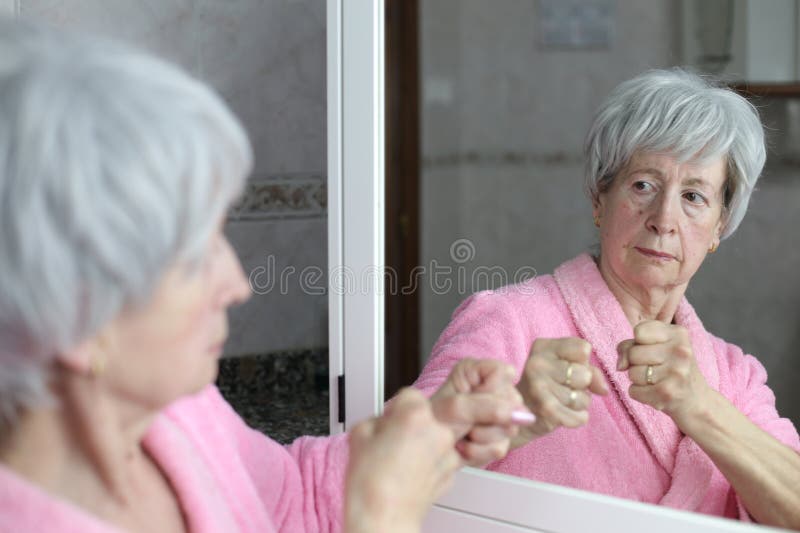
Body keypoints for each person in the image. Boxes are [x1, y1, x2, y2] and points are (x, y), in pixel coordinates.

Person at [0, 19, 533, 533]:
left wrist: (426, 433)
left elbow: (293, 497)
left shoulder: (177, 412)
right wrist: (379, 519)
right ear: (75, 316)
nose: (239, 283)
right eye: (194, 256)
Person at [413, 68, 800, 528]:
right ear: (600, 199)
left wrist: (700, 406)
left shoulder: (733, 377)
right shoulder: (509, 321)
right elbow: (398, 468)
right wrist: (513, 415)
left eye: (694, 196)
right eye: (644, 186)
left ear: (720, 226)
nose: (663, 218)